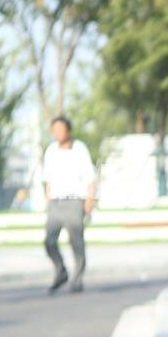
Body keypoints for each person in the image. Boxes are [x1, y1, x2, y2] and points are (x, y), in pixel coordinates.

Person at [42, 116, 97, 293]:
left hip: (74, 201)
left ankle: (77, 279)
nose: (57, 133)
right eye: (54, 130)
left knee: (76, 242)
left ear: (68, 130)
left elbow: (90, 176)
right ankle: (61, 271)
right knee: (49, 242)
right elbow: (48, 178)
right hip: (55, 202)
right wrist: (48, 199)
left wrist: (90, 200)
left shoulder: (79, 149)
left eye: (60, 129)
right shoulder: (50, 151)